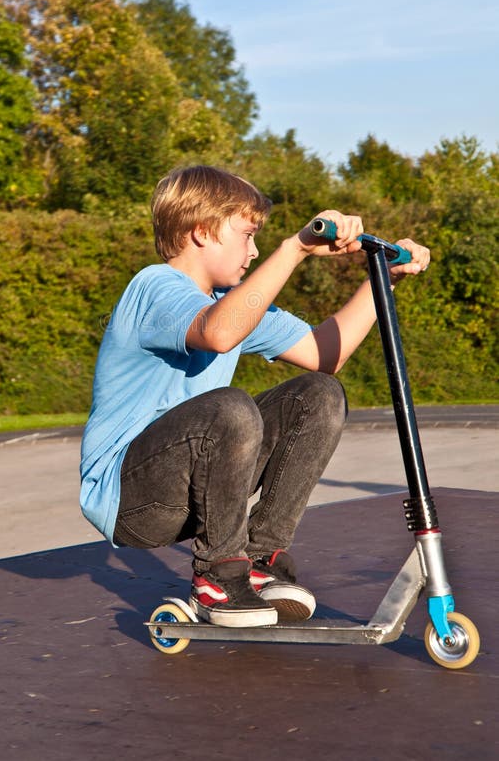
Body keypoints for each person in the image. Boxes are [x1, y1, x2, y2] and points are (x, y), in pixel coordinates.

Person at [80, 165, 430, 628]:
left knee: (318, 394)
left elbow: (325, 354)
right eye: (246, 235)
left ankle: (261, 562)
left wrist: (382, 275)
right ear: (201, 232)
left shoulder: (235, 300)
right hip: (133, 499)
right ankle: (217, 576)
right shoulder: (153, 287)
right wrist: (296, 248)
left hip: (198, 488)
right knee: (230, 406)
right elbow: (220, 333)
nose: (255, 249)